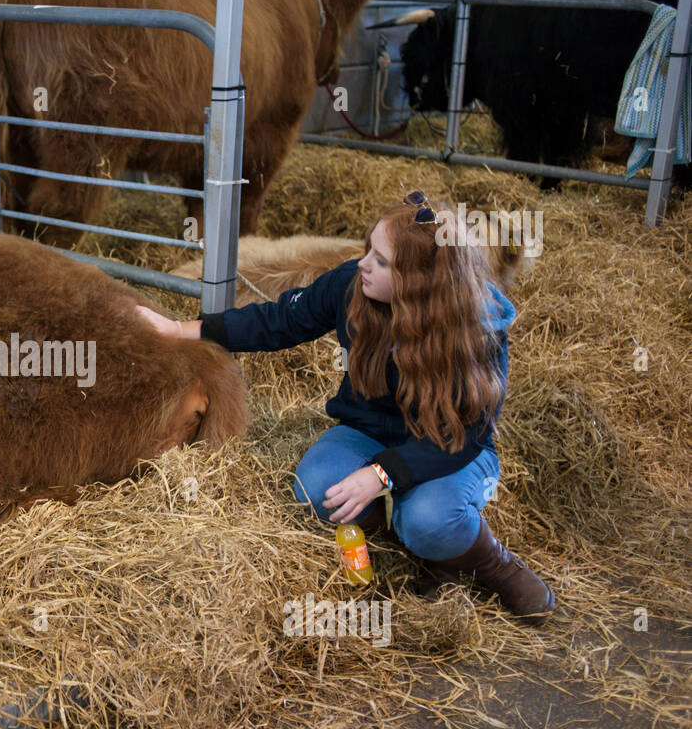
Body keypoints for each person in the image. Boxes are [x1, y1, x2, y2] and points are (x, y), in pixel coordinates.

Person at [136, 191, 555, 620]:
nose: (363, 264)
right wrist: (182, 329)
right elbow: (279, 321)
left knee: (430, 518)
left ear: (419, 279)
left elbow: (464, 434)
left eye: (381, 260)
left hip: (450, 447)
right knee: (317, 491)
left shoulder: (475, 327)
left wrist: (379, 475)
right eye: (368, 248)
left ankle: (492, 564)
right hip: (369, 430)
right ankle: (405, 541)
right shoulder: (352, 287)